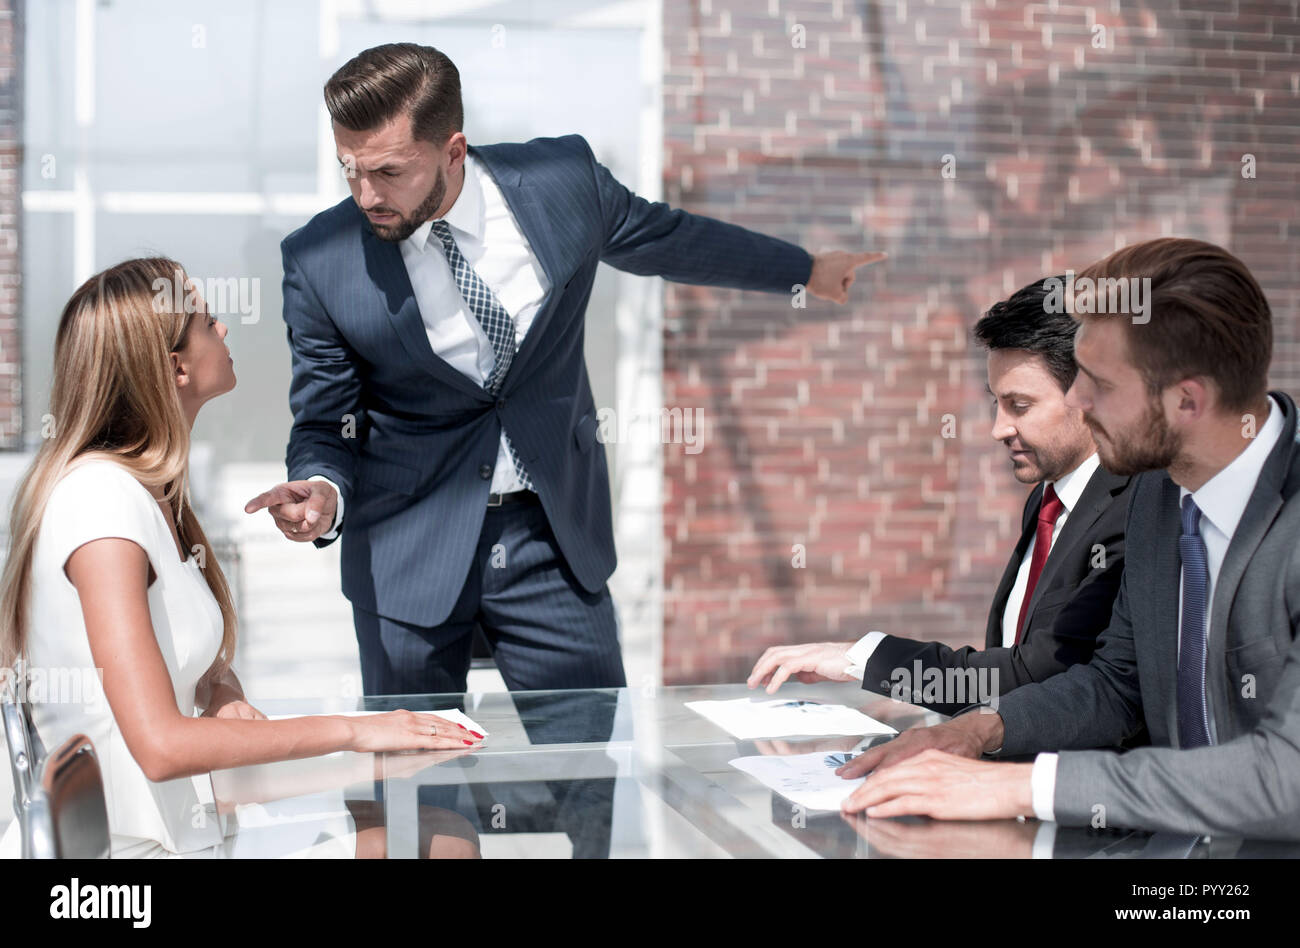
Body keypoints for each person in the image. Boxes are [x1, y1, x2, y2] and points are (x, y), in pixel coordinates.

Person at [243, 43, 886, 697]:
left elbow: (671, 239)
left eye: (388, 171)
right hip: (407, 549)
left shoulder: (561, 184)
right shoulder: (320, 259)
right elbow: (328, 418)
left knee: (581, 781)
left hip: (550, 540)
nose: (365, 194)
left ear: (454, 151)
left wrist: (804, 269)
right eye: (350, 169)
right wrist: (322, 486)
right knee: (416, 783)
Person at [0, 258, 481, 859]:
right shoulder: (101, 504)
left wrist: (221, 690)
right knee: (439, 842)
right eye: (206, 320)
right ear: (175, 366)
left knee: (432, 824)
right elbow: (160, 746)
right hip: (135, 853)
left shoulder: (146, 493)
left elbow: (176, 658)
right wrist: (357, 731)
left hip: (196, 814)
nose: (223, 329)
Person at [839, 237, 1300, 842]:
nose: (1079, 403)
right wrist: (976, 729)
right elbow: (1117, 683)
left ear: (1188, 399)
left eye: (1100, 385)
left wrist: (1021, 787)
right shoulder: (1160, 495)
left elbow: (1286, 778)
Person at [747, 277, 1133, 716]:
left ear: (1089, 395)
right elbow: (1012, 666)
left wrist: (867, 659)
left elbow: (1043, 672)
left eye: (1020, 406)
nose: (998, 429)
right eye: (996, 403)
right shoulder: (1049, 499)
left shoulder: (1133, 509)